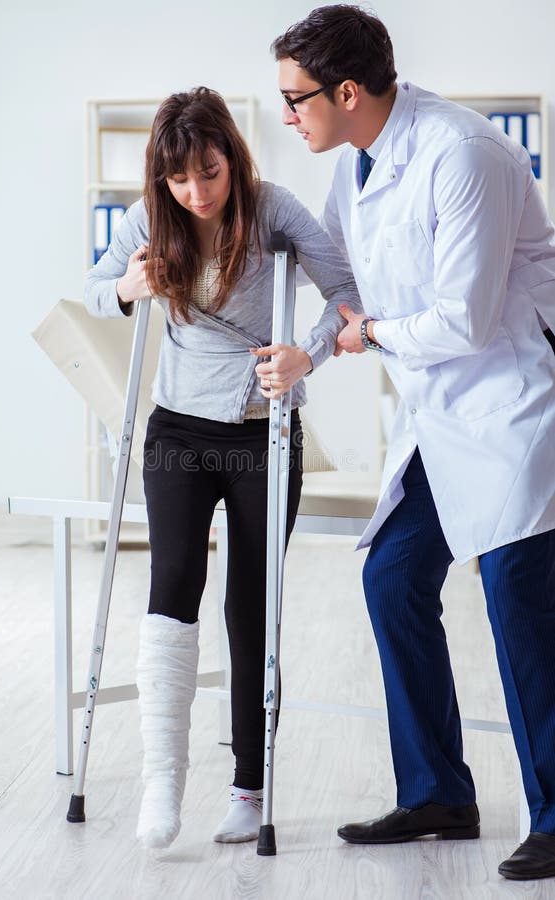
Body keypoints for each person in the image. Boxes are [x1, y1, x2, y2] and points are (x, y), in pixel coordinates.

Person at [272, 5, 555, 882]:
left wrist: (365, 338)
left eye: (296, 99)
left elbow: (465, 321)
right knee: (392, 576)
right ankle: (437, 790)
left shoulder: (462, 154)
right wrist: (309, 352)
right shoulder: (355, 169)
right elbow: (348, 288)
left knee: (517, 600)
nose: (288, 116)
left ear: (346, 91)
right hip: (439, 413)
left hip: (512, 402)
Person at [84, 86, 361, 849]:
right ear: (162, 178)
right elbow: (91, 291)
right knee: (172, 582)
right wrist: (123, 287)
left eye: (210, 172)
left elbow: (346, 295)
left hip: (259, 426)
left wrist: (304, 354)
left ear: (231, 160)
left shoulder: (273, 209)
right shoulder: (150, 217)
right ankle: (160, 782)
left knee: (250, 605)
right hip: (178, 428)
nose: (198, 193)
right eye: (181, 179)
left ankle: (247, 787)